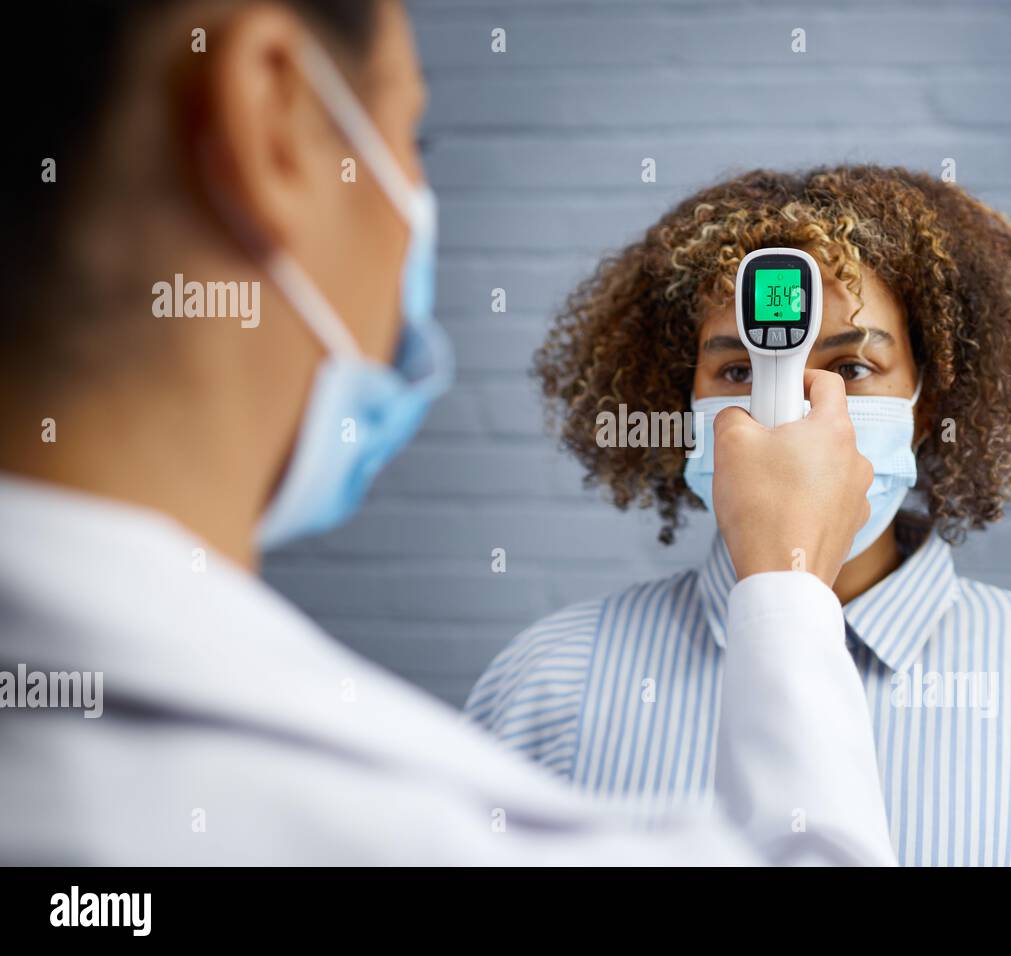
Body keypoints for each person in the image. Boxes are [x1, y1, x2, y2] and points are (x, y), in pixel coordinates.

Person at [0, 1, 897, 865]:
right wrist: (787, 579)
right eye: (410, 140)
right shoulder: (436, 822)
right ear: (269, 119)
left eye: (856, 368)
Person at [465, 167, 1011, 866]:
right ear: (680, 405)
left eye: (852, 369)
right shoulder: (555, 679)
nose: (788, 408)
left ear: (932, 402)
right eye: (736, 370)